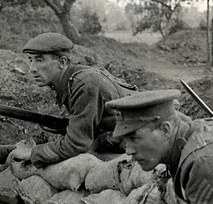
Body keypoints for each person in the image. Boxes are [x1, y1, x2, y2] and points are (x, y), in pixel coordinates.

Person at [21, 32, 137, 167]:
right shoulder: (71, 80)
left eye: (39, 60)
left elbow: (76, 145)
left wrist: (32, 153)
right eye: (30, 60)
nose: (32, 69)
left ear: (62, 62)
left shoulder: (84, 83)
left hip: (136, 139)